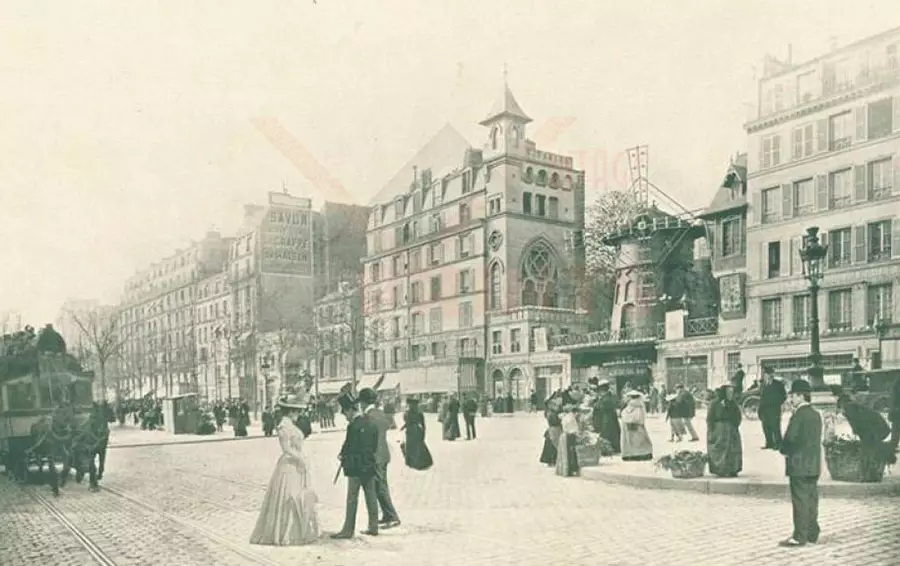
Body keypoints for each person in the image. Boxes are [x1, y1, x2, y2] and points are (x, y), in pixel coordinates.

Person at [249, 395, 319, 546]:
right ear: (291, 411)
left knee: (299, 495)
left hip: (297, 464)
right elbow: (286, 449)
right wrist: (300, 458)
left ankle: (299, 530)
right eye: (297, 411)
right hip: (289, 466)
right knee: (289, 497)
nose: (299, 414)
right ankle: (285, 533)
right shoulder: (283, 427)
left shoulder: (291, 425)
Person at [778, 379, 822, 548]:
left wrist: (783, 449)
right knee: (811, 499)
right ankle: (812, 533)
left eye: (793, 396)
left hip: (798, 464)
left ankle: (799, 536)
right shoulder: (815, 414)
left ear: (801, 396)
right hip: (813, 464)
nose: (791, 399)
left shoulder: (798, 415)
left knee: (800, 500)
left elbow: (790, 438)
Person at [331, 392, 380, 539]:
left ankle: (348, 530)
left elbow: (350, 446)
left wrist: (343, 455)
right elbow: (374, 444)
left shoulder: (353, 426)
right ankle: (373, 526)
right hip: (369, 466)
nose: (345, 417)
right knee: (371, 496)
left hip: (355, 468)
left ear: (350, 410)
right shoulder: (371, 422)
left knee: (352, 498)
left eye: (345, 413)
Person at [357, 388, 401, 530]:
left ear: (363, 403)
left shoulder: (369, 417)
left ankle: (392, 516)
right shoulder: (380, 414)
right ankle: (388, 516)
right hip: (383, 454)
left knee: (379, 487)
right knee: (381, 486)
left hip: (375, 456)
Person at [706, 384, 743, 477]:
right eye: (729, 392)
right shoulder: (714, 403)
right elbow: (710, 418)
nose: (731, 394)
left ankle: (732, 470)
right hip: (719, 430)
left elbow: (738, 416)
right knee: (720, 450)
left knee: (733, 450)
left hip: (731, 429)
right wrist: (712, 431)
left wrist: (734, 425)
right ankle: (720, 470)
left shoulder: (733, 403)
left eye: (732, 392)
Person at [400, 398, 433, 470]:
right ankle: (420, 462)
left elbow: (408, 422)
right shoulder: (419, 413)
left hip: (410, 431)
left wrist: (404, 426)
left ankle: (411, 462)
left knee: (410, 447)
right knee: (418, 446)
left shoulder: (407, 413)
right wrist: (423, 433)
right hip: (417, 430)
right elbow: (423, 424)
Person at [759, 367, 787, 450]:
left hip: (774, 409)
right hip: (765, 409)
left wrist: (778, 402)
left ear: (772, 375)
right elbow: (761, 396)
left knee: (775, 427)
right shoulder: (763, 385)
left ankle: (778, 444)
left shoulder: (778, 384)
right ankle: (769, 443)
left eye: (768, 374)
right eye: (765, 375)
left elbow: (784, 395)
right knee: (766, 427)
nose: (766, 376)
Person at [620, 391, 653, 461]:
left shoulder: (630, 405)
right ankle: (643, 453)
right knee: (640, 440)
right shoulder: (640, 405)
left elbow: (624, 414)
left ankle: (631, 454)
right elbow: (641, 416)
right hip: (638, 425)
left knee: (630, 440)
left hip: (629, 424)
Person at [591, 380, 621, 454]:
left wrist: (595, 405)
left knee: (607, 434)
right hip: (609, 418)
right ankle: (613, 448)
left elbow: (601, 406)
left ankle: (609, 449)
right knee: (612, 433)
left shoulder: (606, 398)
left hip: (607, 418)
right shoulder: (609, 396)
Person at [555, 404, 580, 477]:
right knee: (570, 454)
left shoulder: (565, 417)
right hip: (570, 436)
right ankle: (570, 470)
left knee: (565, 454)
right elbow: (575, 429)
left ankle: (565, 470)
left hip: (564, 436)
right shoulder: (571, 418)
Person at [540, 395, 563, 466]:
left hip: (553, 430)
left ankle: (551, 460)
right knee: (552, 446)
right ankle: (552, 460)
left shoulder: (551, 411)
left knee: (551, 445)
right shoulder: (550, 413)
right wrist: (560, 418)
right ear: (549, 405)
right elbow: (554, 421)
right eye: (553, 404)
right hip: (553, 431)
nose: (555, 405)